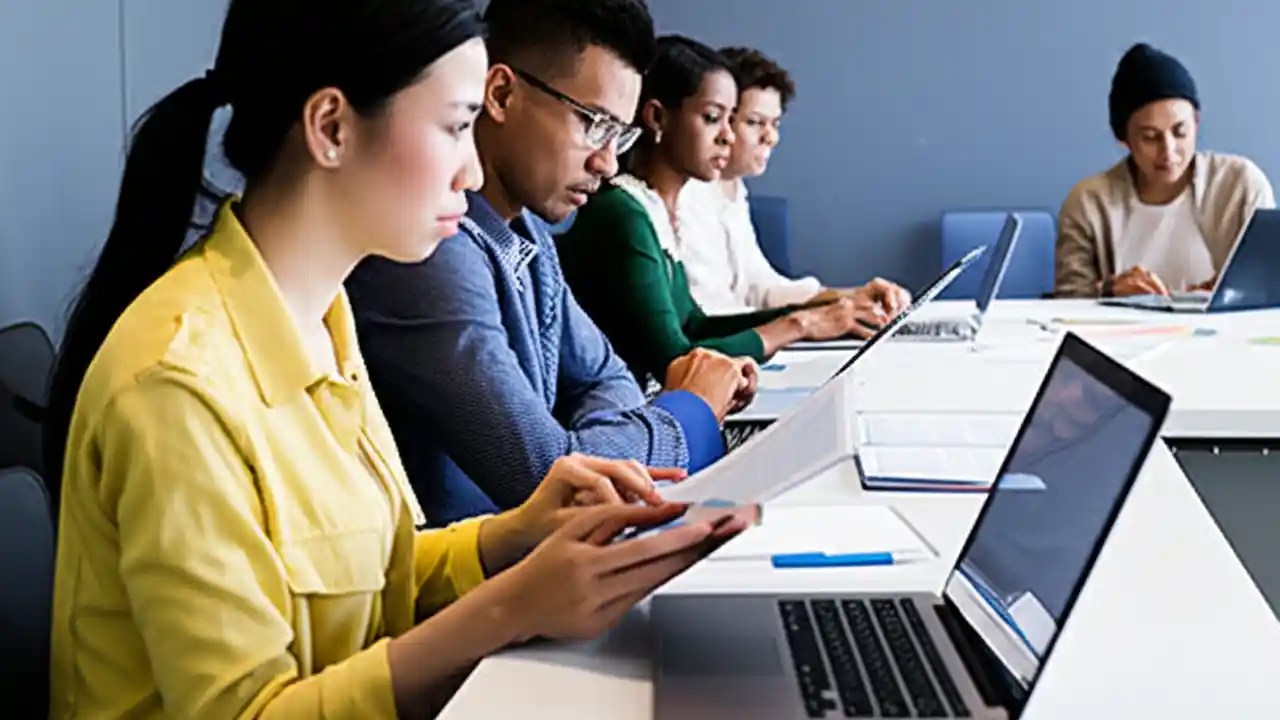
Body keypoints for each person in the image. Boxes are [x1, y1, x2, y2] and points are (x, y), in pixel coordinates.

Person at [42, 3, 747, 717]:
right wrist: (509, 609)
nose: (472, 170)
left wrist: (515, 535)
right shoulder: (178, 384)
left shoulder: (323, 319)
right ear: (331, 128)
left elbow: (379, 571)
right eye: (455, 126)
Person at [345, 0, 754, 525]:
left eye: (620, 136)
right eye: (594, 124)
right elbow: (546, 476)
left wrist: (588, 443)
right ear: (500, 94)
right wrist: (689, 410)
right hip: (470, 567)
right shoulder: (429, 251)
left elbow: (604, 377)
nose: (607, 163)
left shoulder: (531, 233)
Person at [557, 36, 887, 385]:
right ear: (657, 117)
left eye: (731, 120)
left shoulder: (657, 210)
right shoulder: (622, 213)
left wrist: (820, 316)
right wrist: (798, 326)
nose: (728, 136)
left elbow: (695, 325)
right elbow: (676, 361)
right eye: (713, 118)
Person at [680, 46, 911, 316]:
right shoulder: (686, 195)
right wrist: (811, 322)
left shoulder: (733, 188)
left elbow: (763, 288)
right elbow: (712, 312)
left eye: (775, 124)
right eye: (755, 122)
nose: (771, 138)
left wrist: (850, 297)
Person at [1055, 42, 1275, 299]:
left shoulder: (1241, 184)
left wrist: (1232, 294)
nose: (1168, 151)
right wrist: (1110, 291)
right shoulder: (1087, 203)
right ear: (1123, 139)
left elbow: (1270, 287)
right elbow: (1067, 303)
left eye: (1180, 132)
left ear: (1196, 123)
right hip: (1121, 326)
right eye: (1150, 137)